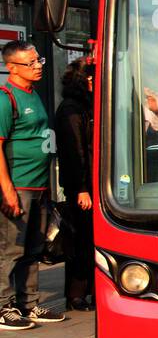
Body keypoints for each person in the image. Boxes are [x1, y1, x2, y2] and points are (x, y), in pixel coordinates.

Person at [0, 41, 64, 329]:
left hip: (39, 187)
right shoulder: (5, 98)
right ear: (11, 67)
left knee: (34, 249)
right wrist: (8, 191)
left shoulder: (33, 95)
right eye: (31, 63)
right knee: (11, 248)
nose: (38, 66)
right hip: (18, 186)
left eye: (39, 61)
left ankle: (29, 304)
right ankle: (3, 307)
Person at [54, 59, 95, 311]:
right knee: (80, 239)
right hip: (81, 186)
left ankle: (87, 291)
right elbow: (74, 150)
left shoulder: (86, 106)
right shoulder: (71, 109)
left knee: (88, 239)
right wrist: (81, 187)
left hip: (90, 184)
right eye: (91, 78)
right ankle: (75, 294)